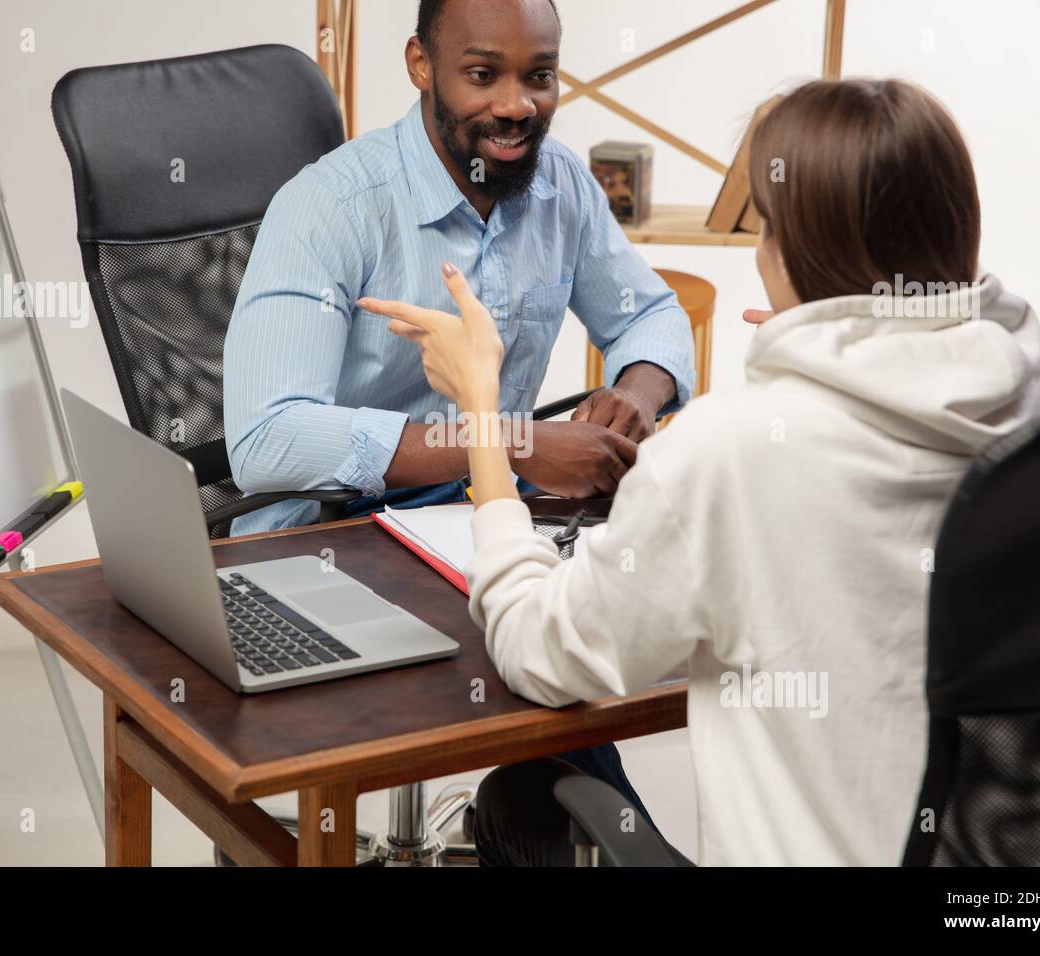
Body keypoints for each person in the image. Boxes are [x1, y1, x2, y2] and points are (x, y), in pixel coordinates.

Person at [358, 78, 1040, 866]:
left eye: (766, 230)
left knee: (519, 801)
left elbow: (541, 654)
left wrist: (485, 422)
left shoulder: (729, 452)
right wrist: (841, 340)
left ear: (791, 252)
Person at [223, 0, 694, 830]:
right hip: (332, 537)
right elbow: (266, 439)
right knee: (549, 672)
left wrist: (638, 391)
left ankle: (545, 830)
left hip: (485, 517)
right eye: (483, 75)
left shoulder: (562, 187)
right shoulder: (331, 206)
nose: (516, 104)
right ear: (420, 65)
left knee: (582, 674)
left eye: (539, 77)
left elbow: (650, 317)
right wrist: (507, 442)